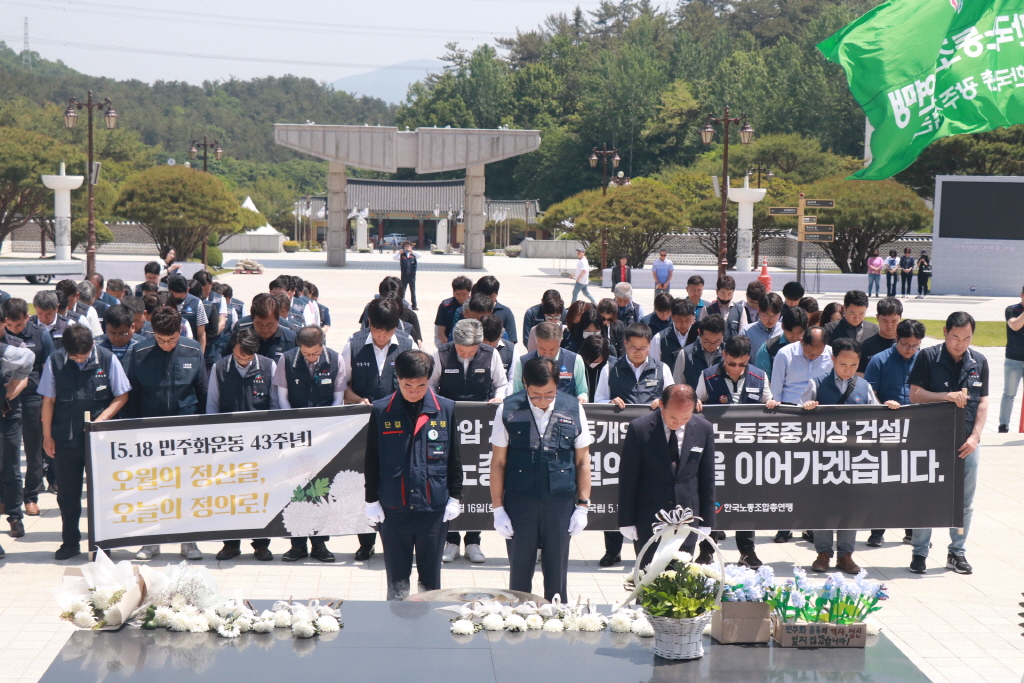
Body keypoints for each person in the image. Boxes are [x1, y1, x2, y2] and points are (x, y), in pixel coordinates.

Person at [489, 356, 593, 600]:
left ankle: (556, 624)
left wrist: (583, 505)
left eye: (549, 394)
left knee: (557, 577)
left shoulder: (573, 408)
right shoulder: (509, 409)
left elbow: (583, 461)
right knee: (519, 578)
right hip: (520, 502)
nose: (543, 401)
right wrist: (497, 509)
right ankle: (517, 625)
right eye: (536, 395)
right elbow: (499, 462)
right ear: (525, 384)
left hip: (560, 503)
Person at [365, 350, 462, 599]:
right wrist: (371, 499)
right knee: (397, 581)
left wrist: (455, 497)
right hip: (394, 509)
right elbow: (372, 458)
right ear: (397, 379)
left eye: (421, 385)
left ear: (429, 379)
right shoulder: (381, 410)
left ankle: (428, 631)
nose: (414, 391)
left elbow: (455, 457)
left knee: (431, 581)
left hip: (433, 508)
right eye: (408, 385)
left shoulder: (445, 409)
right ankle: (396, 631)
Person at [122, 306, 207, 561]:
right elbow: (132, 394)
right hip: (151, 432)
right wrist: (131, 433)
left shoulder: (193, 350)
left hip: (186, 431)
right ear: (153, 333)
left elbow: (203, 391)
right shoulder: (140, 352)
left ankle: (189, 541)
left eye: (171, 340)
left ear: (180, 331)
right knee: (153, 487)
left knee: (187, 487)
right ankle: (151, 541)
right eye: (161, 339)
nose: (167, 344)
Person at [801, 338, 892, 575]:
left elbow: (876, 416)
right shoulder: (817, 383)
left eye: (853, 365)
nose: (847, 370)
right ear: (832, 360)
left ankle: (846, 554)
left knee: (850, 506)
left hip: (854, 459)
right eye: (842, 364)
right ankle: (823, 552)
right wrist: (807, 407)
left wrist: (888, 408)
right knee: (822, 506)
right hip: (823, 458)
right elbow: (798, 416)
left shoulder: (864, 387)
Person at [908, 311, 988, 575]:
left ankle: (957, 552)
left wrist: (975, 436)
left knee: (964, 502)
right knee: (925, 497)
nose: (960, 343)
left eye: (966, 338)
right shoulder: (928, 357)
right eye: (955, 337)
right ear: (944, 332)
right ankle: (920, 552)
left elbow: (983, 402)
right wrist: (946, 396)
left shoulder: (979, 361)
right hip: (931, 441)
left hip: (966, 443)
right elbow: (915, 395)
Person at [40, 324, 129, 560]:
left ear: (92, 345)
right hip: (65, 439)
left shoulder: (107, 359)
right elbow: (48, 401)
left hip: (99, 440)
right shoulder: (55, 360)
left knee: (102, 494)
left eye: (83, 355)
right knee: (67, 495)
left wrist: (100, 420)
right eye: (75, 356)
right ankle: (70, 543)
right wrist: (47, 436)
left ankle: (102, 544)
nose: (79, 360)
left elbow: (122, 395)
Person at [594, 323, 674, 567]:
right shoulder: (611, 370)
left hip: (654, 442)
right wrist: (610, 401)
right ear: (624, 346)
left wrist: (662, 401)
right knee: (619, 492)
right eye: (633, 348)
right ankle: (613, 550)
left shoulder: (662, 369)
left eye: (643, 348)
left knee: (652, 495)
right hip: (620, 443)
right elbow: (597, 401)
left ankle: (656, 551)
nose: (638, 352)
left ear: (650, 346)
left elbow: (672, 399)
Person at [695, 335, 778, 567]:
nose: (736, 369)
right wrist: (696, 403)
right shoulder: (707, 375)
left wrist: (771, 405)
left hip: (747, 454)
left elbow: (768, 403)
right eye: (731, 363)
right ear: (723, 355)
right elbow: (695, 403)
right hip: (715, 453)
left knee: (745, 500)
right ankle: (707, 549)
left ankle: (747, 550)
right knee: (711, 499)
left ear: (748, 359)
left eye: (742, 364)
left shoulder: (759, 376)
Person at [343, 296, 414, 560]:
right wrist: (356, 400)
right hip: (364, 428)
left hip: (399, 428)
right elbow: (343, 385)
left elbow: (418, 384)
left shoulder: (407, 345)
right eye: (377, 330)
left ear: (397, 326)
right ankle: (365, 541)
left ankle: (395, 541)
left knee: (396, 483)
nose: (382, 336)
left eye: (388, 331)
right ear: (369, 323)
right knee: (367, 482)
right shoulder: (353, 344)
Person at [430, 319, 504, 565]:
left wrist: (498, 398)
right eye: (461, 351)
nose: (466, 355)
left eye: (471, 352)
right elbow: (430, 386)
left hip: (480, 428)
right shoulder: (440, 354)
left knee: (476, 481)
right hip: (448, 425)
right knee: (451, 478)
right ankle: (450, 540)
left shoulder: (490, 354)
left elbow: (502, 385)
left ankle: (474, 541)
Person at [270, 326, 345, 563]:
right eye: (306, 354)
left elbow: (337, 398)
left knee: (322, 489)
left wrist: (325, 431)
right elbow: (282, 397)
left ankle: (320, 544)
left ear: (322, 345)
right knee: (296, 490)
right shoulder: (287, 360)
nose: (311, 358)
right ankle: (297, 544)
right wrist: (295, 427)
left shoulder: (336, 359)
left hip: (324, 436)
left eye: (314, 353)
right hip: (295, 435)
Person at [619, 384, 714, 567]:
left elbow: (707, 477)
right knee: (648, 579)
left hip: (687, 517)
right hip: (649, 516)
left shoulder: (703, 428)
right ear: (661, 404)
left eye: (685, 417)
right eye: (673, 417)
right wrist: (626, 520)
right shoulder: (640, 428)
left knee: (683, 581)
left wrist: (707, 520)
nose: (678, 422)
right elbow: (628, 478)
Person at [207, 327, 279, 562]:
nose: (243, 361)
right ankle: (230, 543)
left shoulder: (268, 366)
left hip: (260, 446)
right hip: (229, 446)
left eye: (248, 358)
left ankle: (261, 544)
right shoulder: (220, 367)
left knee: (259, 495)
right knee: (229, 495)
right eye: (239, 357)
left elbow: (275, 405)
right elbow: (212, 406)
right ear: (233, 350)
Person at [864, 319, 924, 548]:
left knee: (912, 481)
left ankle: (911, 530)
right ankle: (877, 531)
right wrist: (883, 407)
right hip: (886, 428)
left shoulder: (923, 360)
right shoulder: (880, 360)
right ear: (896, 339)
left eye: (915, 345)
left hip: (916, 428)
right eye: (906, 344)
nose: (910, 350)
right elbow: (869, 394)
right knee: (883, 482)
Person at [3, 299, 56, 517]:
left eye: (19, 325)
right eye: (11, 326)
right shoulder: (3, 337)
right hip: (8, 398)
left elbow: (48, 370)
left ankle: (31, 496)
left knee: (34, 450)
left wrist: (48, 402)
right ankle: (6, 497)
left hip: (33, 397)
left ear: (27, 317)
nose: (15, 329)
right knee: (7, 451)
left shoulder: (40, 334)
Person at [0, 312, 38, 541]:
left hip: (8, 411)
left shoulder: (14, 346)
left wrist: (8, 394)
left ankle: (15, 516)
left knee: (12, 465)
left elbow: (25, 371)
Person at [511, 322, 588, 402]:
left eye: (552, 350)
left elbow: (582, 391)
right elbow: (517, 394)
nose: (547, 354)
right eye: (542, 349)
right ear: (536, 341)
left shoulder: (575, 360)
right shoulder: (522, 362)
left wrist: (582, 398)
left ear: (560, 342)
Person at [769, 326, 833, 406]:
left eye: (818, 355)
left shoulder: (831, 354)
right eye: (809, 353)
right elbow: (776, 385)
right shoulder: (785, 354)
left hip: (819, 404)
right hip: (791, 404)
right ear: (802, 341)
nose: (813, 357)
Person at [754, 306, 808, 379]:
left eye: (800, 332)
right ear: (783, 326)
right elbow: (763, 380)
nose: (795, 337)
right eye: (791, 332)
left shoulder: (811, 346)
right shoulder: (768, 348)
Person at [673, 314, 725, 389]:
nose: (712, 345)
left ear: (723, 336)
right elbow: (677, 385)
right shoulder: (685, 354)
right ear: (699, 333)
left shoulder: (728, 353)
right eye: (707, 341)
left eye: (717, 341)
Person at [239, 294, 297, 362]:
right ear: (252, 320)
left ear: (278, 320)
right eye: (259, 324)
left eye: (269, 324)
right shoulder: (240, 338)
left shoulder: (291, 340)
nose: (264, 329)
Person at [1001, 285, 1024, 433]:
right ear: (1022, 294)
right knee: (1009, 394)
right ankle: (1003, 426)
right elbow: (1015, 325)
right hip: (1013, 360)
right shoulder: (1011, 309)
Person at [166, 274, 208, 354]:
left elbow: (201, 334)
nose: (177, 300)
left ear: (188, 290)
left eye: (180, 298)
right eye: (174, 298)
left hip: (189, 350)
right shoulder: (164, 301)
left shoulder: (196, 302)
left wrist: (200, 355)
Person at [859, 297, 902, 373]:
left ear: (900, 318)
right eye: (885, 321)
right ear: (877, 317)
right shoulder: (866, 345)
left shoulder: (906, 345)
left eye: (894, 321)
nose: (889, 326)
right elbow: (859, 373)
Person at [650, 298, 697, 366]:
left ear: (693, 317)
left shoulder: (699, 337)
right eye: (680, 320)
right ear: (672, 317)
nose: (684, 325)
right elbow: (654, 366)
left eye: (687, 320)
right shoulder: (659, 339)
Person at [435, 276, 472, 345]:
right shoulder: (445, 305)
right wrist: (450, 348)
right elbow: (440, 333)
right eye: (458, 294)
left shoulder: (475, 305)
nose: (461, 297)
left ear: (469, 292)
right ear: (453, 291)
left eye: (464, 294)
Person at [480, 314, 518, 379]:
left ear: (501, 334)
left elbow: (513, 379)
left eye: (492, 342)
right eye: (484, 341)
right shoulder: (469, 348)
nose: (488, 345)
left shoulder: (512, 350)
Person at [579, 334, 614, 403]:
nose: (592, 364)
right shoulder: (577, 363)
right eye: (589, 361)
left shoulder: (611, 366)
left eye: (596, 361)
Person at [392, 241, 419, 310]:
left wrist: (412, 251)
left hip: (412, 275)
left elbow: (420, 255)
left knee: (413, 291)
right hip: (404, 275)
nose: (407, 248)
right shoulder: (402, 254)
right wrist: (398, 253)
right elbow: (394, 258)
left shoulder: (414, 255)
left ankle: (414, 305)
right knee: (403, 290)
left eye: (408, 246)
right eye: (406, 246)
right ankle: (402, 304)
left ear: (411, 247)